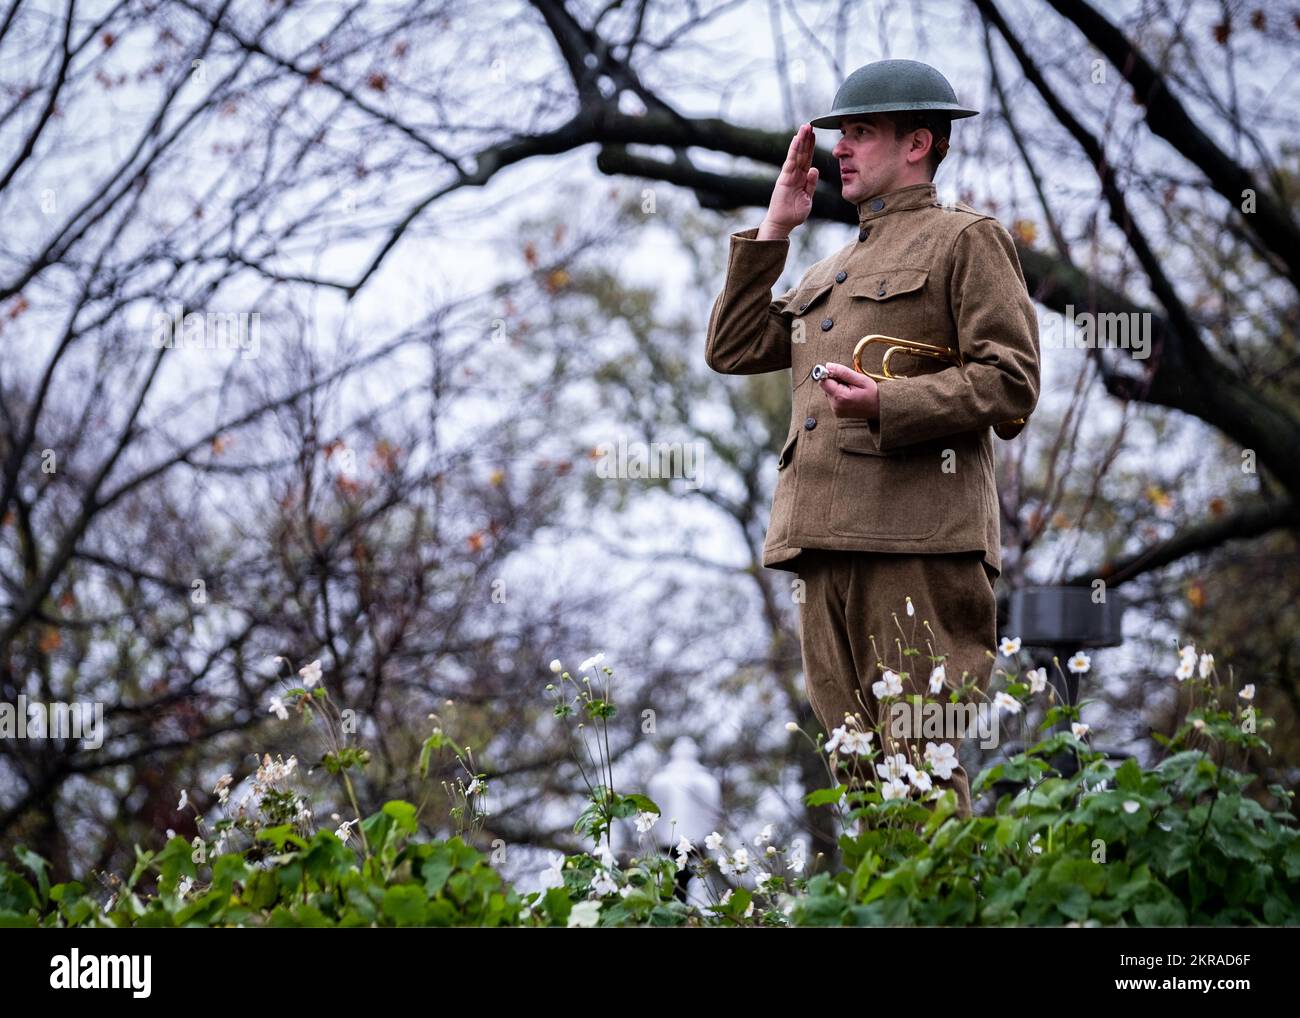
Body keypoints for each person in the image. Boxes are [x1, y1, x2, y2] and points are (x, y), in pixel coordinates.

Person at [704, 59, 1041, 818]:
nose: (841, 150)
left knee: (919, 772)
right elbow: (730, 348)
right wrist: (775, 230)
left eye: (859, 132)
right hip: (822, 545)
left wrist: (892, 403)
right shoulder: (833, 266)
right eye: (840, 135)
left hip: (918, 547)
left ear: (918, 142)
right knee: (863, 783)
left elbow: (1012, 380)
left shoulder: (968, 240)